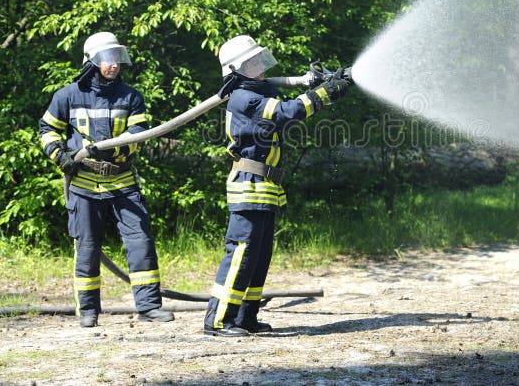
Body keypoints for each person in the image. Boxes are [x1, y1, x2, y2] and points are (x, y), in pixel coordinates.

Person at [204, 35, 351, 337]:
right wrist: (326, 92)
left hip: (265, 185)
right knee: (242, 253)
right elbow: (288, 112)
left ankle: (245, 317)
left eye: (260, 59)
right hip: (249, 185)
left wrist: (318, 85)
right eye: (252, 61)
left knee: (259, 256)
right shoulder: (243, 98)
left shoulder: (257, 92)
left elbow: (286, 102)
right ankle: (218, 321)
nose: (259, 65)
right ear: (238, 69)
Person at [39, 31, 175, 328]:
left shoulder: (131, 96)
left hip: (122, 182)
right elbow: (46, 130)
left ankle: (149, 307)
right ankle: (88, 311)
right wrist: (60, 156)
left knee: (141, 242)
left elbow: (139, 134)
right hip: (84, 185)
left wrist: (112, 147)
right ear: (91, 61)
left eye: (116, 58)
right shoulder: (67, 95)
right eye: (106, 59)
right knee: (87, 248)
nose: (113, 64)